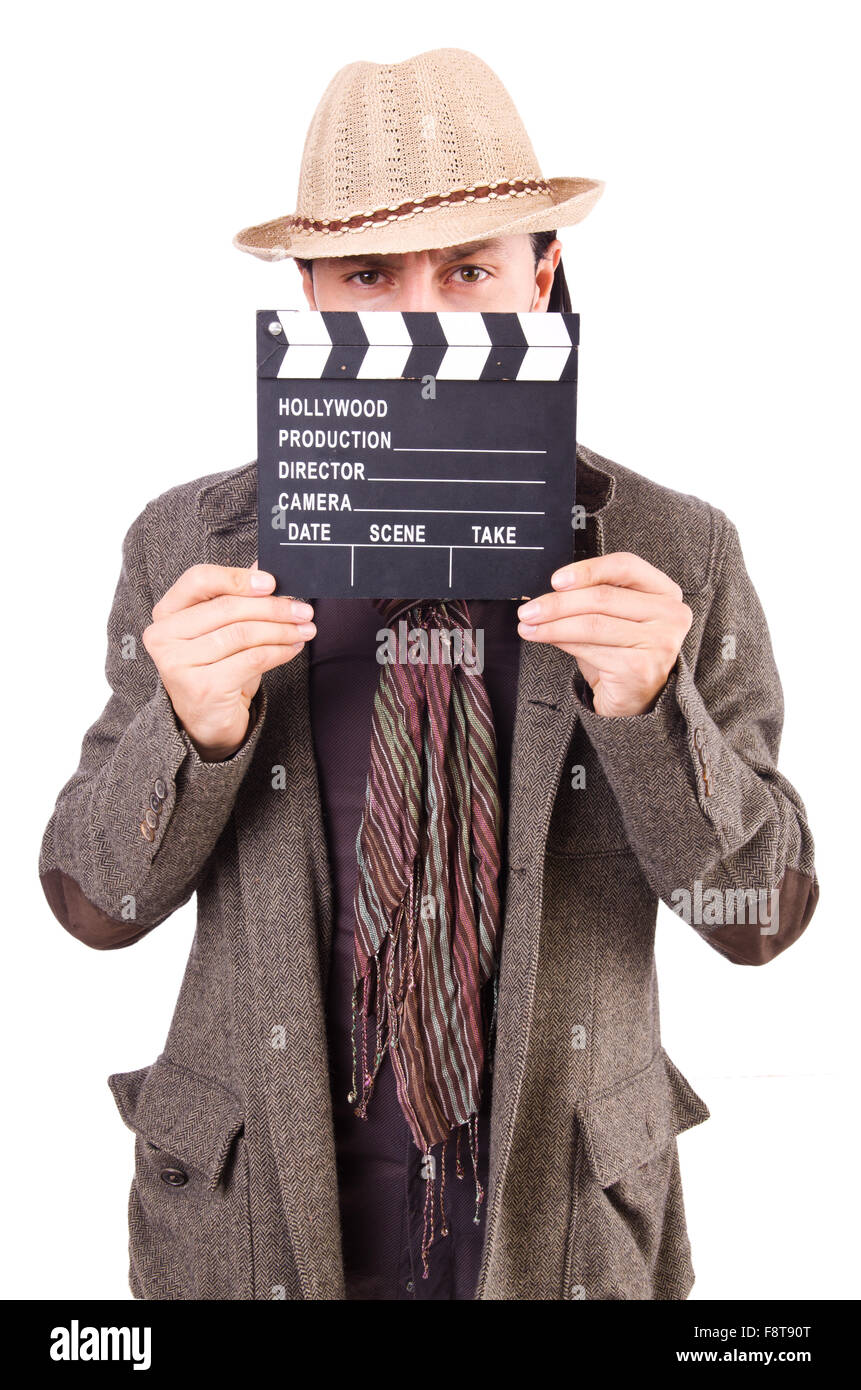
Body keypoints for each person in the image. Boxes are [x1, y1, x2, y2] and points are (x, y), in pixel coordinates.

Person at [38, 47, 819, 1301]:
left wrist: (653, 716)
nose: (425, 313)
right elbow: (93, 907)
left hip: (549, 1225)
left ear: (541, 273)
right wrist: (186, 731)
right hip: (261, 1227)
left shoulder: (674, 552)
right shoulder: (188, 549)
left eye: (471, 267)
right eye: (369, 274)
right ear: (305, 295)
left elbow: (761, 921)